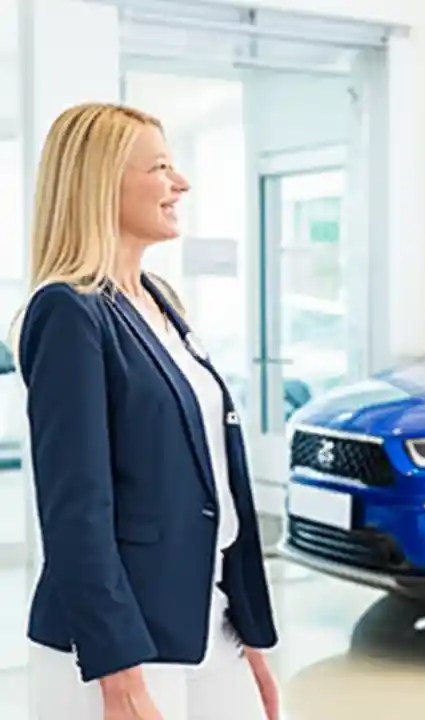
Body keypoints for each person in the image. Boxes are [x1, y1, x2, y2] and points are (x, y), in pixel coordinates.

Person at [18, 102, 281, 720]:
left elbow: (214, 478)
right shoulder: (69, 312)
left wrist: (249, 630)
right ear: (100, 182)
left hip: (209, 617)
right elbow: (75, 509)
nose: (180, 183)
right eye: (160, 167)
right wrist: (117, 673)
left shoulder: (161, 301)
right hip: (120, 638)